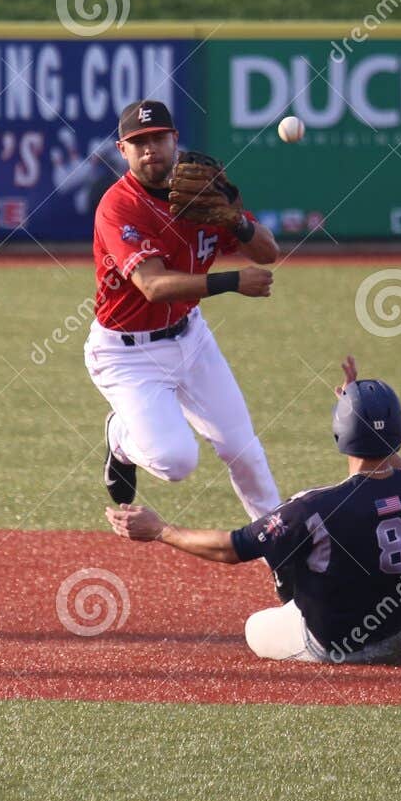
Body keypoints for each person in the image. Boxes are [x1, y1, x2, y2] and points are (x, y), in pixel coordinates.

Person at [106, 358, 401, 664]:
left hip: (336, 646)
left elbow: (231, 548)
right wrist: (363, 413)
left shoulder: (313, 506)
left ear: (340, 434)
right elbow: (391, 471)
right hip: (399, 626)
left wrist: (160, 530)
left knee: (257, 625)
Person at [88, 98, 282, 519]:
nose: (150, 149)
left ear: (175, 140)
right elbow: (154, 286)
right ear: (122, 151)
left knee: (243, 449)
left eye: (158, 138)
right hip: (127, 353)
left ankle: (279, 546)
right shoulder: (118, 206)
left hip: (190, 336)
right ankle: (120, 437)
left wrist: (237, 221)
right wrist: (232, 281)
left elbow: (267, 252)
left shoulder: (202, 193)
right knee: (177, 463)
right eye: (138, 143)